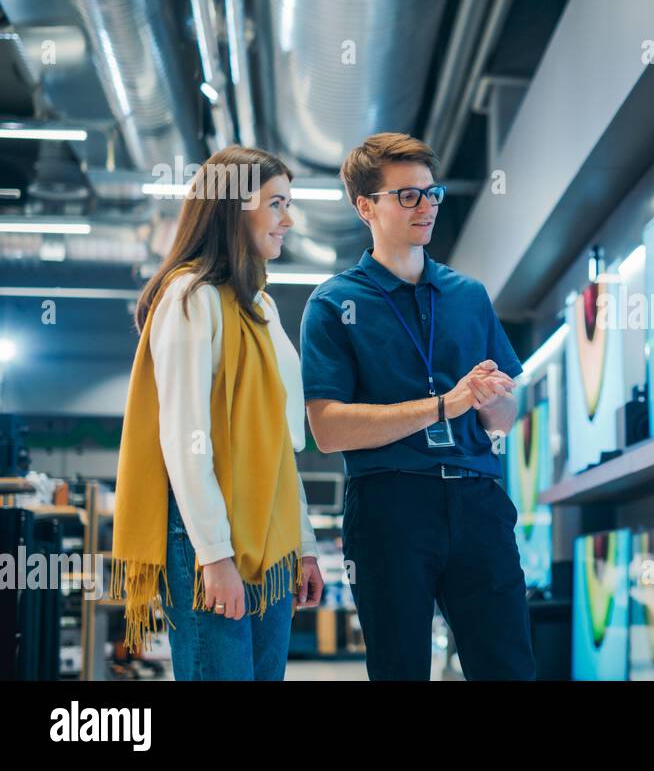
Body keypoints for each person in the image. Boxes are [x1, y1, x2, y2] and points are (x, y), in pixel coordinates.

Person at [300, 132, 534, 680]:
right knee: (400, 669)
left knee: (509, 668)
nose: (426, 207)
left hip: (478, 501)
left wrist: (490, 401)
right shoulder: (335, 304)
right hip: (390, 508)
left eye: (432, 193)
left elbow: (503, 419)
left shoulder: (468, 296)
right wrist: (441, 406)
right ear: (366, 207)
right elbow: (328, 430)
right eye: (407, 196)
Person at [113, 145, 325, 680]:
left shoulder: (262, 307)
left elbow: (280, 441)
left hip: (271, 542)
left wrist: (304, 545)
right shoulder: (190, 297)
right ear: (234, 207)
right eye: (276, 203)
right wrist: (215, 556)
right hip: (210, 538)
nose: (288, 219)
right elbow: (184, 440)